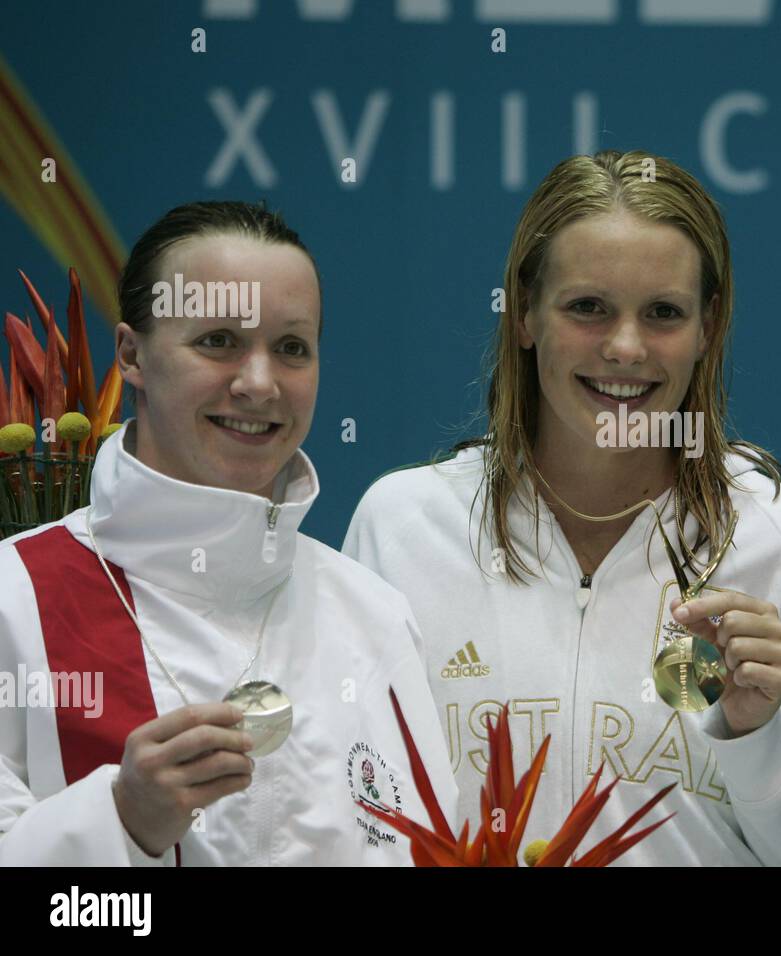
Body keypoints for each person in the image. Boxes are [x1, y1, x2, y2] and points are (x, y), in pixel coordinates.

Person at [345, 150, 781, 866]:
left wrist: (759, 739)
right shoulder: (401, 526)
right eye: (588, 307)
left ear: (708, 325)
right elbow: (351, 816)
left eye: (663, 313)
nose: (625, 347)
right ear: (524, 312)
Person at [0, 201, 457, 865]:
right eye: (218, 341)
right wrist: (118, 823)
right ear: (131, 355)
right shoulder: (16, 600)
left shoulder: (374, 616)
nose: (260, 383)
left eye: (292, 348)